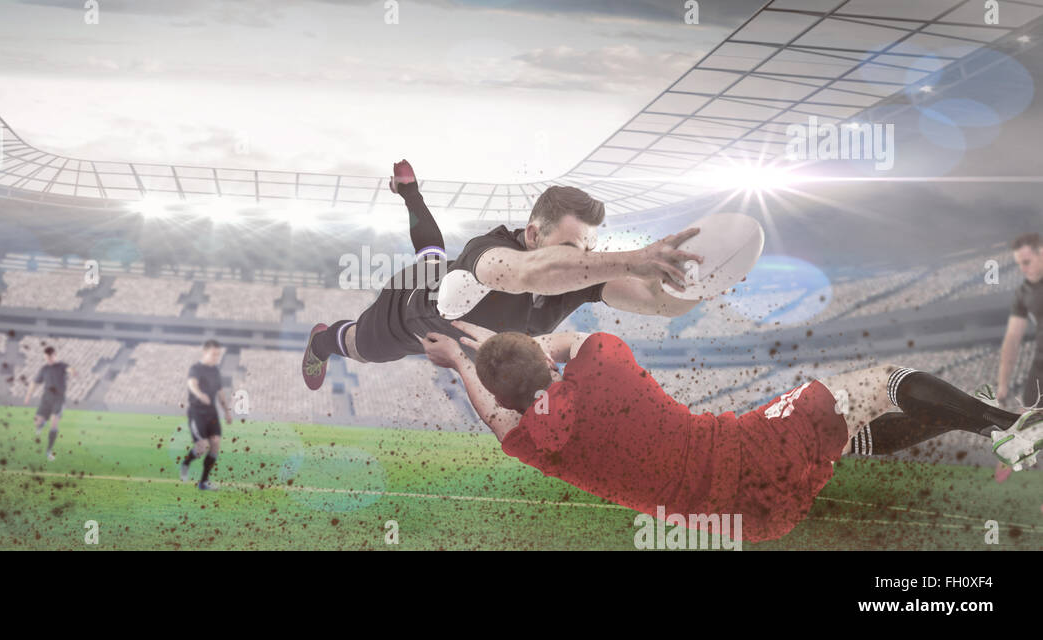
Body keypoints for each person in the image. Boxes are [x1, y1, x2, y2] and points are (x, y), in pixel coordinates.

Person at [418, 321, 1036, 543]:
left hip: (752, 524)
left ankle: (978, 418)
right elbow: (566, 340)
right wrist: (508, 344)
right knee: (881, 384)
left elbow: (497, 418)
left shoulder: (533, 445)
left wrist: (460, 363)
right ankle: (1012, 426)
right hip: (750, 451)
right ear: (548, 363)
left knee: (847, 434)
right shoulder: (601, 357)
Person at [302, 159, 704, 390]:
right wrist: (634, 259)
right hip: (407, 313)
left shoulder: (585, 274)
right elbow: (528, 274)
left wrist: (708, 279)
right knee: (359, 347)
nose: (585, 262)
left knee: (433, 255)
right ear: (532, 235)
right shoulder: (493, 250)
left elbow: (658, 304)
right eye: (570, 249)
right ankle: (321, 340)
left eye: (589, 252)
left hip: (452, 309)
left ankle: (408, 191)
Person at [997, 232, 1043, 408]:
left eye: (1026, 262)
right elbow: (1012, 338)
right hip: (1041, 365)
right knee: (1029, 419)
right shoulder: (1023, 292)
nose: (1022, 269)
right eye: (1019, 264)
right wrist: (1003, 385)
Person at [179, 340, 232, 491]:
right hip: (197, 412)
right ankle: (186, 463)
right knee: (202, 447)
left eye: (218, 354)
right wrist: (200, 394)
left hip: (212, 412)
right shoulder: (196, 368)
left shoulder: (215, 370)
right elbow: (192, 384)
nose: (216, 357)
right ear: (205, 352)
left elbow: (220, 392)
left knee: (215, 444)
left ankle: (203, 482)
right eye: (214, 354)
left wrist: (227, 412)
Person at [23, 346, 73, 461]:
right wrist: (28, 395)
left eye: (50, 358)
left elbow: (69, 369)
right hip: (46, 398)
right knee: (37, 421)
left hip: (59, 399)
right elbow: (34, 383)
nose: (48, 360)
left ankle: (48, 451)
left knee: (54, 423)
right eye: (46, 358)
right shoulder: (44, 369)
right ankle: (42, 423)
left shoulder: (62, 366)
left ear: (55, 355)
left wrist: (73, 372)